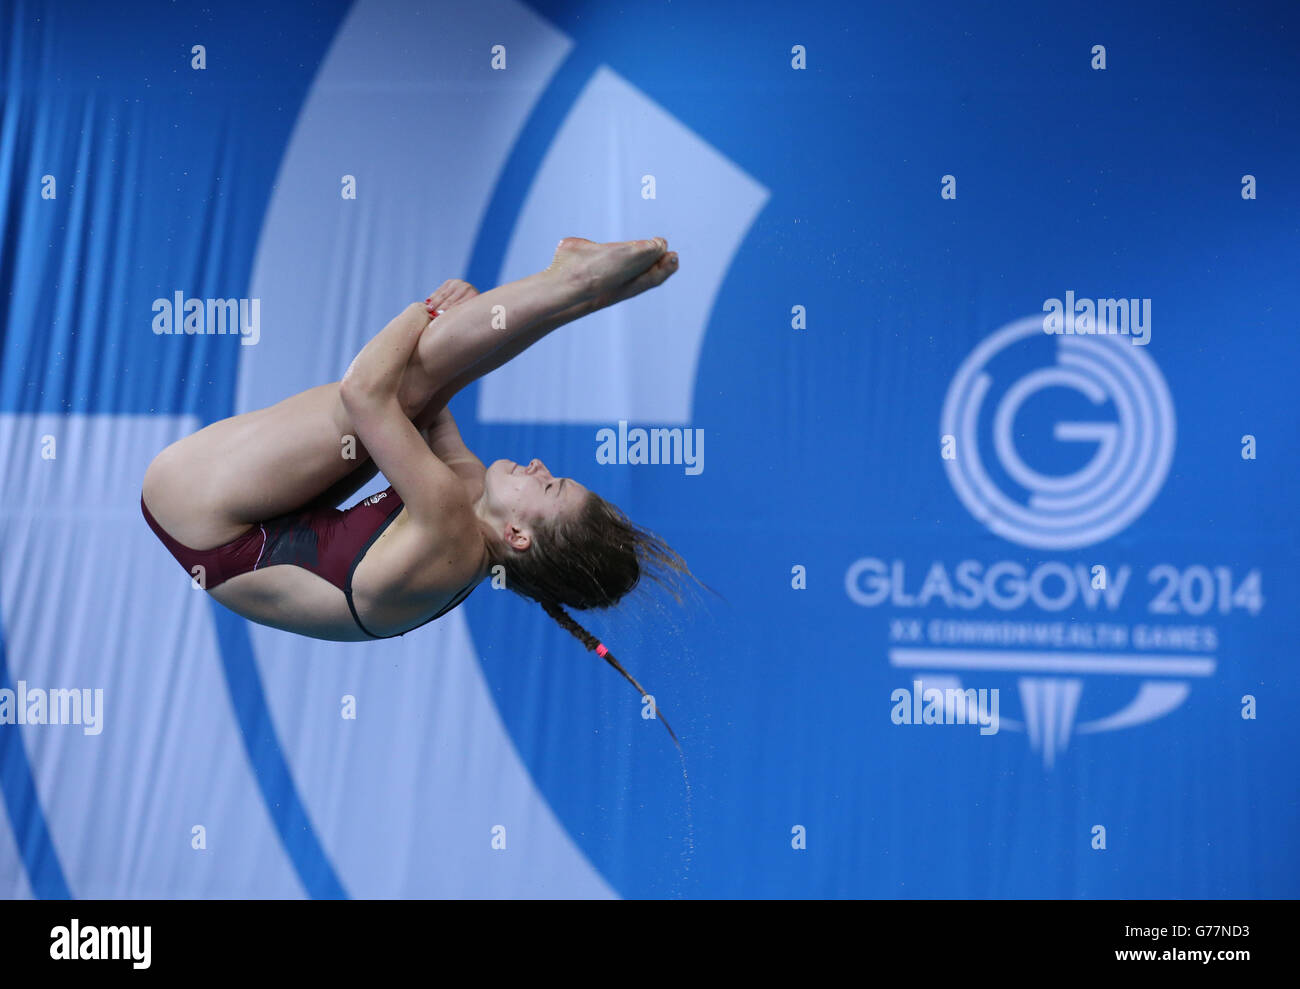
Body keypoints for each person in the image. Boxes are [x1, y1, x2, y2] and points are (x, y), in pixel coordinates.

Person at [142, 237, 697, 741]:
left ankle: (569, 281)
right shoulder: (472, 523)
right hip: (250, 527)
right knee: (426, 389)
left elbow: (364, 392)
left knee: (393, 392)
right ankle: (581, 293)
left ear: (518, 536)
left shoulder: (450, 526)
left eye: (548, 487)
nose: (537, 465)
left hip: (200, 510)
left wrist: (425, 310)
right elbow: (441, 397)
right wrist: (489, 318)